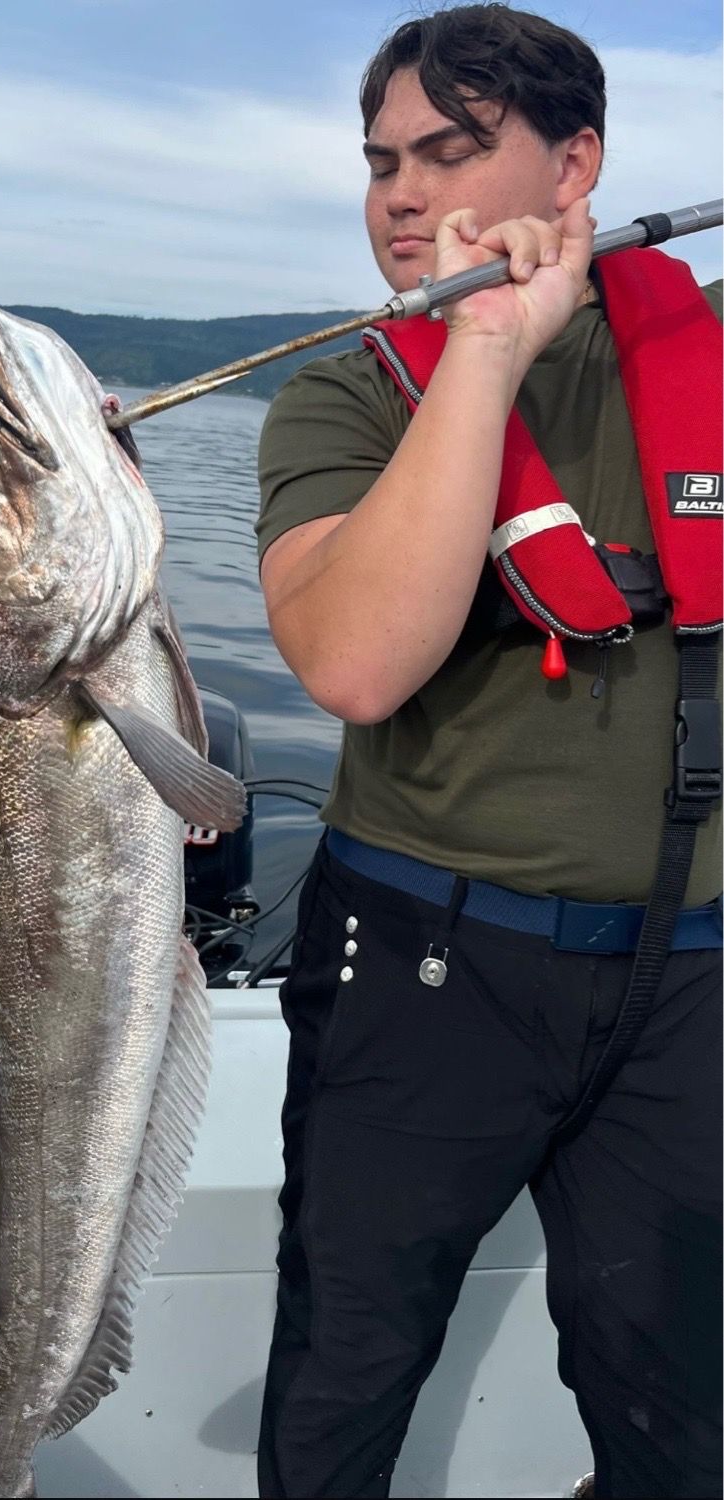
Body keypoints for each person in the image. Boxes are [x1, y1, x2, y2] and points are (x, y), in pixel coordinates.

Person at [254, 5, 722, 1498]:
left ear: (574, 162)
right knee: (348, 1366)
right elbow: (352, 661)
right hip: (418, 961)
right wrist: (482, 353)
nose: (398, 191)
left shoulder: (697, 355)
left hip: (691, 984)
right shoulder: (342, 392)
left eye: (448, 151)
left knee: (673, 1398)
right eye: (380, 159)